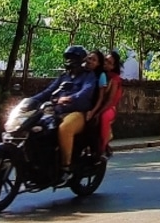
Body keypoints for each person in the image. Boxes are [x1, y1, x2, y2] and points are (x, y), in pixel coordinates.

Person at [23, 44, 98, 183]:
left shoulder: (89, 76)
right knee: (34, 128)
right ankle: (37, 165)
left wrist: (70, 98)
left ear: (81, 60)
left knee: (65, 128)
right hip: (57, 112)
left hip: (77, 113)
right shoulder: (64, 77)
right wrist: (30, 101)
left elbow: (86, 92)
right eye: (68, 57)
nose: (70, 60)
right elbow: (48, 91)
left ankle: (65, 167)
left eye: (73, 58)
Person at [87, 50, 124, 158]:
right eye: (105, 60)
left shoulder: (115, 79)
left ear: (113, 66)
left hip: (110, 108)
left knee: (103, 117)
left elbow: (110, 100)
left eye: (109, 63)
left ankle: (101, 149)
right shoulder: (99, 74)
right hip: (97, 105)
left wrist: (98, 112)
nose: (106, 64)